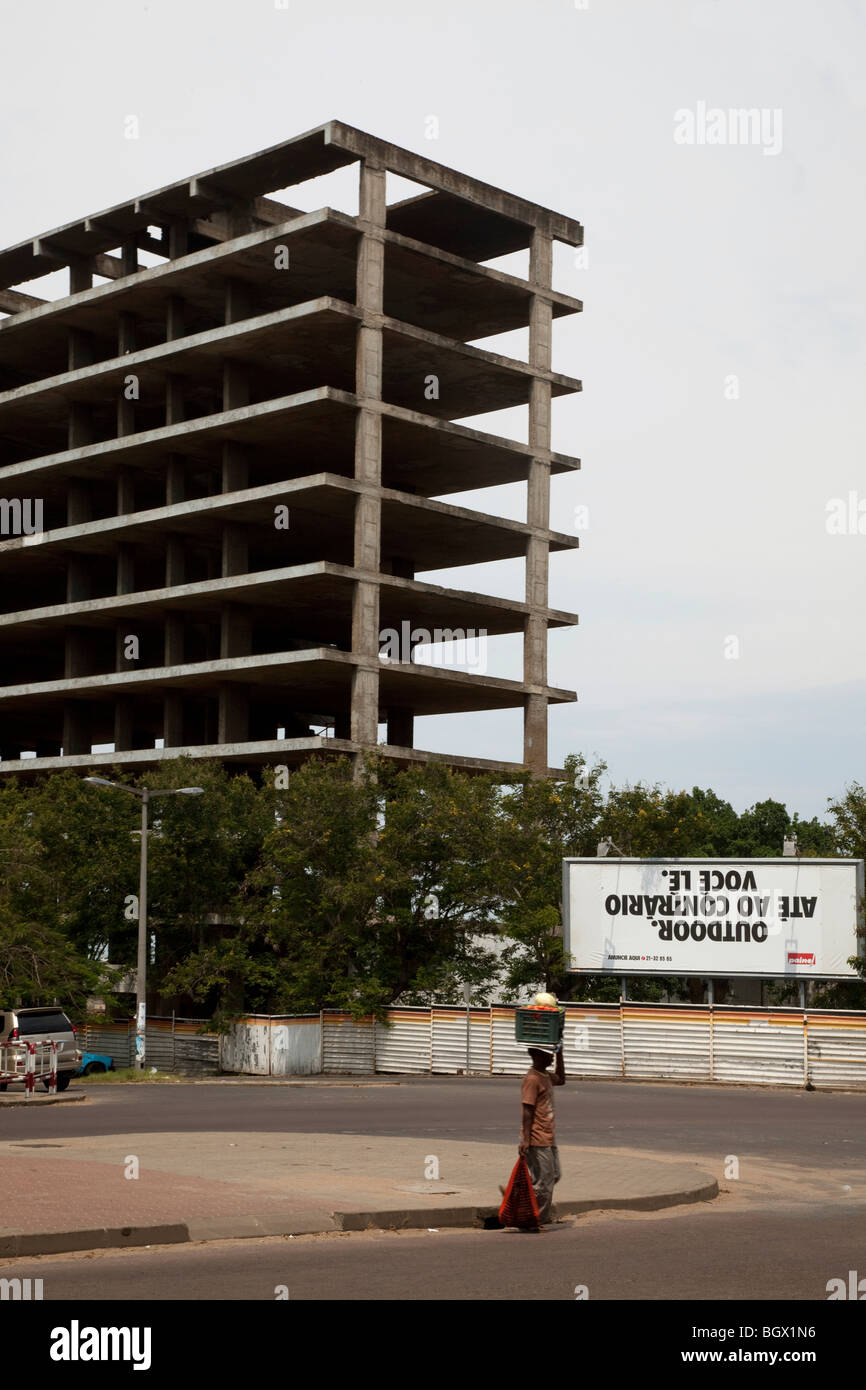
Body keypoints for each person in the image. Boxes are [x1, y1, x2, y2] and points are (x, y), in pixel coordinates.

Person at [519, 1044, 566, 1225]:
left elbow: (561, 1079)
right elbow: (527, 1111)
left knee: (553, 1175)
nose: (552, 1057)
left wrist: (560, 1053)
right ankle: (536, 1219)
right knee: (544, 1182)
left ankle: (519, 1193)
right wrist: (526, 1140)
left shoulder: (544, 1075)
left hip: (548, 1136)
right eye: (549, 1054)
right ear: (538, 1055)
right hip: (537, 1138)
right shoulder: (532, 1079)